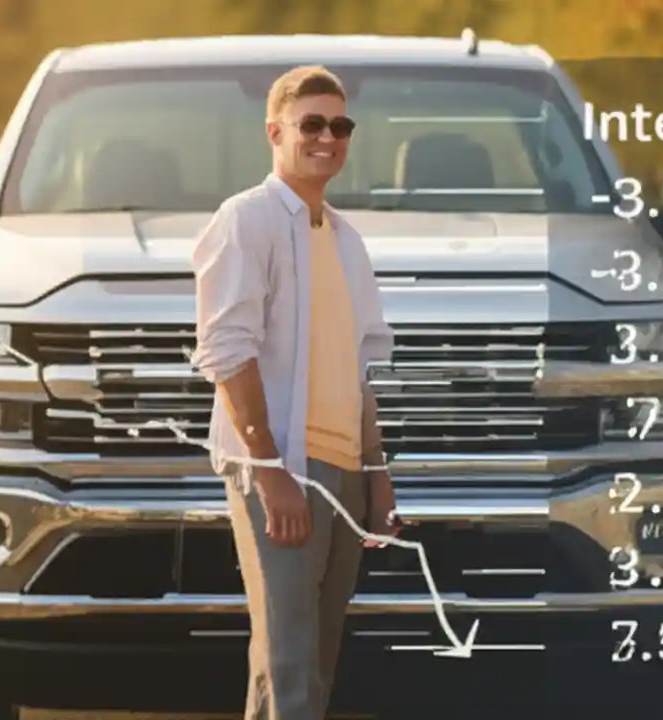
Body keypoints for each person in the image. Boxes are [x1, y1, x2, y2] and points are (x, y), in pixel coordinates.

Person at [189, 64, 399, 720]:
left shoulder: (345, 239)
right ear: (275, 131)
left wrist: (378, 474)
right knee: (291, 660)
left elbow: (361, 367)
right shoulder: (247, 220)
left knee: (308, 660)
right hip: (282, 468)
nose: (328, 137)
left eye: (340, 125)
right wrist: (269, 469)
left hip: (343, 473)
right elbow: (227, 352)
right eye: (312, 123)